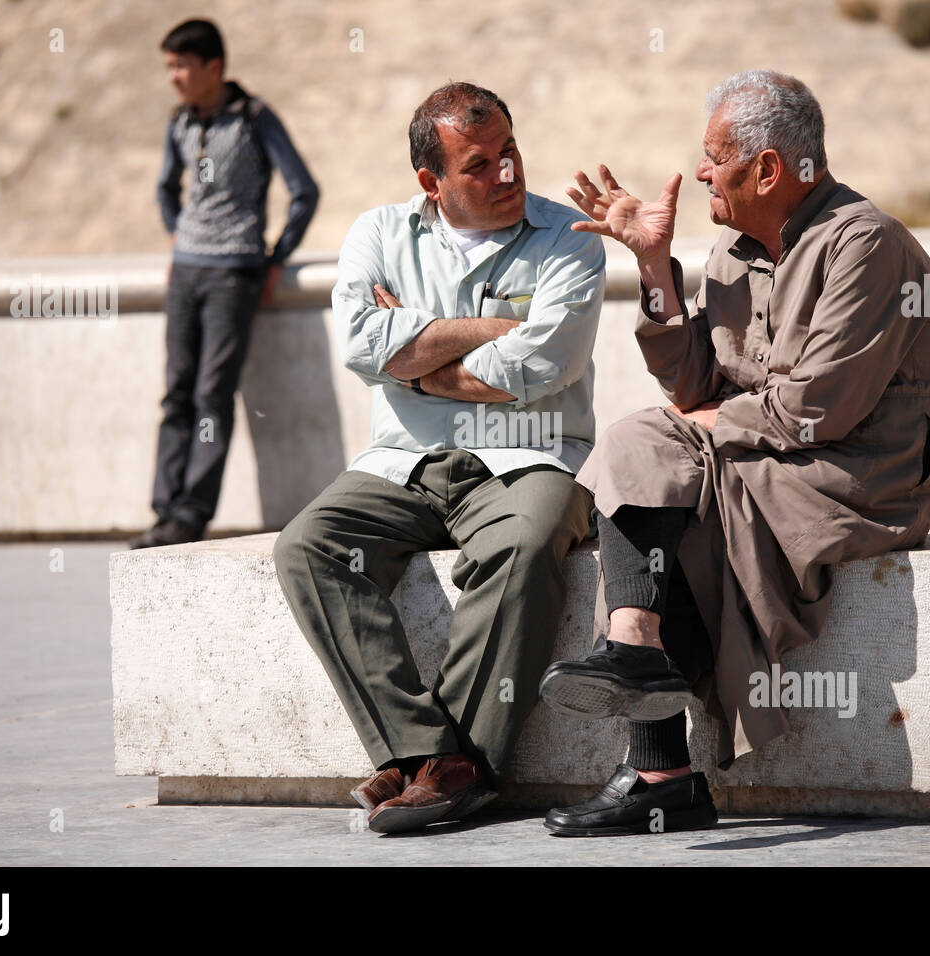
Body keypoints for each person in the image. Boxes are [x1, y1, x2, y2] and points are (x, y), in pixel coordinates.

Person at [537, 70, 930, 836]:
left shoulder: (866, 244)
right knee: (648, 463)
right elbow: (694, 379)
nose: (699, 171)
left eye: (713, 156)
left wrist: (699, 426)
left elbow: (818, 409)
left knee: (656, 464)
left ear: (768, 169)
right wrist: (656, 267)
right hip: (767, 456)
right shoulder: (733, 251)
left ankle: (657, 763)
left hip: (859, 477)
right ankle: (637, 665)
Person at [272, 82, 605, 834]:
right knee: (307, 546)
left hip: (530, 457)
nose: (508, 175)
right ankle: (432, 753)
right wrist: (493, 328)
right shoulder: (378, 233)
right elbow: (360, 343)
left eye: (511, 152)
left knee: (525, 541)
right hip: (402, 459)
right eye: (480, 165)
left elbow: (544, 366)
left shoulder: (570, 237)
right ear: (433, 182)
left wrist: (415, 355)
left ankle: (457, 770)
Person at [130, 18, 319, 549]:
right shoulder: (179, 123)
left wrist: (276, 257)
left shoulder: (256, 119)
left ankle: (191, 513)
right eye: (167, 66)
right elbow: (166, 188)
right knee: (177, 391)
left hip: (235, 272)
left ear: (213, 66)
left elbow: (304, 190)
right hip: (185, 270)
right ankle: (164, 508)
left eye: (181, 66)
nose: (173, 77)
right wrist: (179, 234)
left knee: (213, 392)